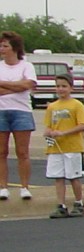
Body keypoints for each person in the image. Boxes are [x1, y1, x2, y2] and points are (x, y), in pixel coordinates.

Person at [43, 72, 84, 217]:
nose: (61, 89)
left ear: (71, 88)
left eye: (64, 86)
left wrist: (64, 133)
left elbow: (82, 125)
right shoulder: (52, 107)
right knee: (59, 177)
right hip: (55, 148)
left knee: (74, 177)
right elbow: (48, 126)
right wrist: (49, 133)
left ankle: (79, 202)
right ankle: (61, 205)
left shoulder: (77, 105)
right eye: (58, 86)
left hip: (73, 148)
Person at [0, 29, 38, 201]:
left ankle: (24, 187)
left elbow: (27, 85)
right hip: (1, 111)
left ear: (14, 47)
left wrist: (6, 85)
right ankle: (3, 187)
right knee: (1, 152)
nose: (2, 48)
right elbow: (18, 87)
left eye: (5, 45)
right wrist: (16, 86)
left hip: (22, 112)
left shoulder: (26, 66)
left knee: (22, 152)